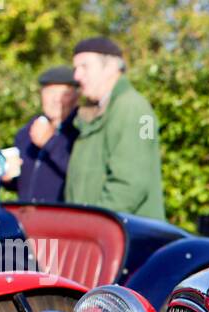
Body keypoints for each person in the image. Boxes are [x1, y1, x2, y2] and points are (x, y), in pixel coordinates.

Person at [64, 37, 165, 219]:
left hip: (125, 238)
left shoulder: (135, 109)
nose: (76, 76)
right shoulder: (96, 110)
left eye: (85, 66)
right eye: (76, 68)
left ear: (111, 67)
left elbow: (131, 185)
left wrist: (93, 225)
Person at [2, 65, 79, 202]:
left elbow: (82, 177)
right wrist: (7, 177)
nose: (56, 100)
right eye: (50, 92)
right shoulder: (26, 133)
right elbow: (26, 184)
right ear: (41, 95)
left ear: (76, 97)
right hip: (27, 219)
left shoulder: (81, 133)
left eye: (64, 94)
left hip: (64, 219)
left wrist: (50, 143)